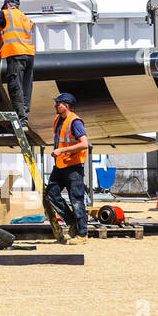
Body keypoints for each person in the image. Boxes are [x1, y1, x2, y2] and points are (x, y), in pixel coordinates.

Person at [46, 92, 89, 243]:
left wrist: (62, 150)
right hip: (61, 165)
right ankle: (72, 222)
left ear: (67, 106)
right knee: (51, 192)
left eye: (59, 103)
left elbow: (84, 144)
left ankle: (82, 234)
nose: (56, 105)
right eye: (56, 103)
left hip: (73, 166)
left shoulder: (75, 121)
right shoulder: (58, 119)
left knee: (76, 199)